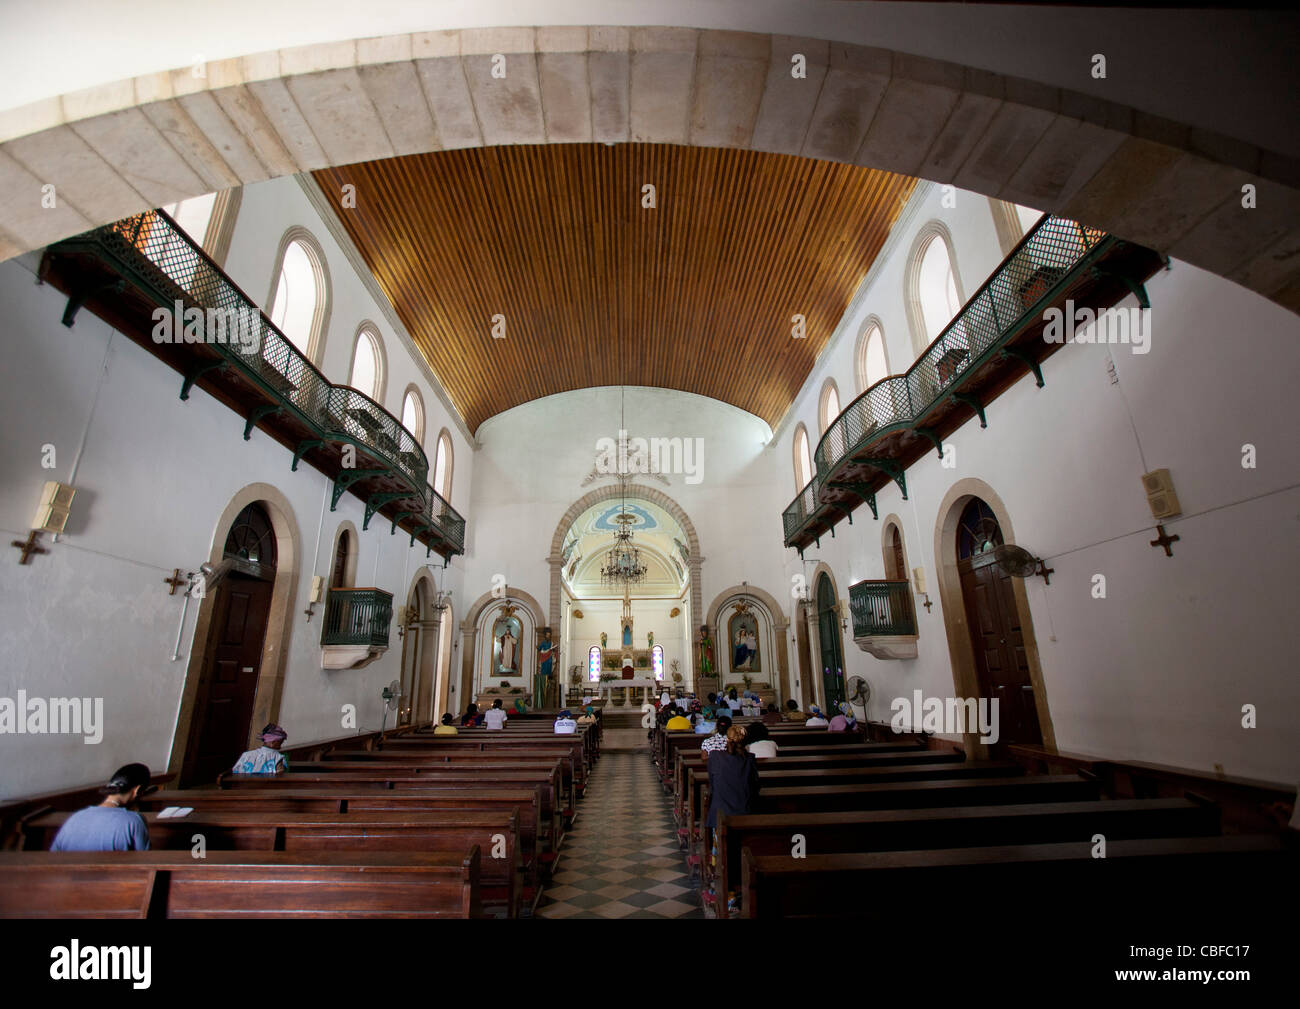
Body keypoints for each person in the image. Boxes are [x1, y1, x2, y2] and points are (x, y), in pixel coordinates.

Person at [50, 763, 154, 851]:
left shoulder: (75, 818)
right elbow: (144, 859)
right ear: (137, 790)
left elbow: (54, 853)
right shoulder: (134, 820)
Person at [706, 726, 760, 829]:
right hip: (744, 811)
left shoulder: (714, 756)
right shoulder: (750, 758)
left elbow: (712, 786)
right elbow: (755, 786)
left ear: (727, 739)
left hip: (719, 813)